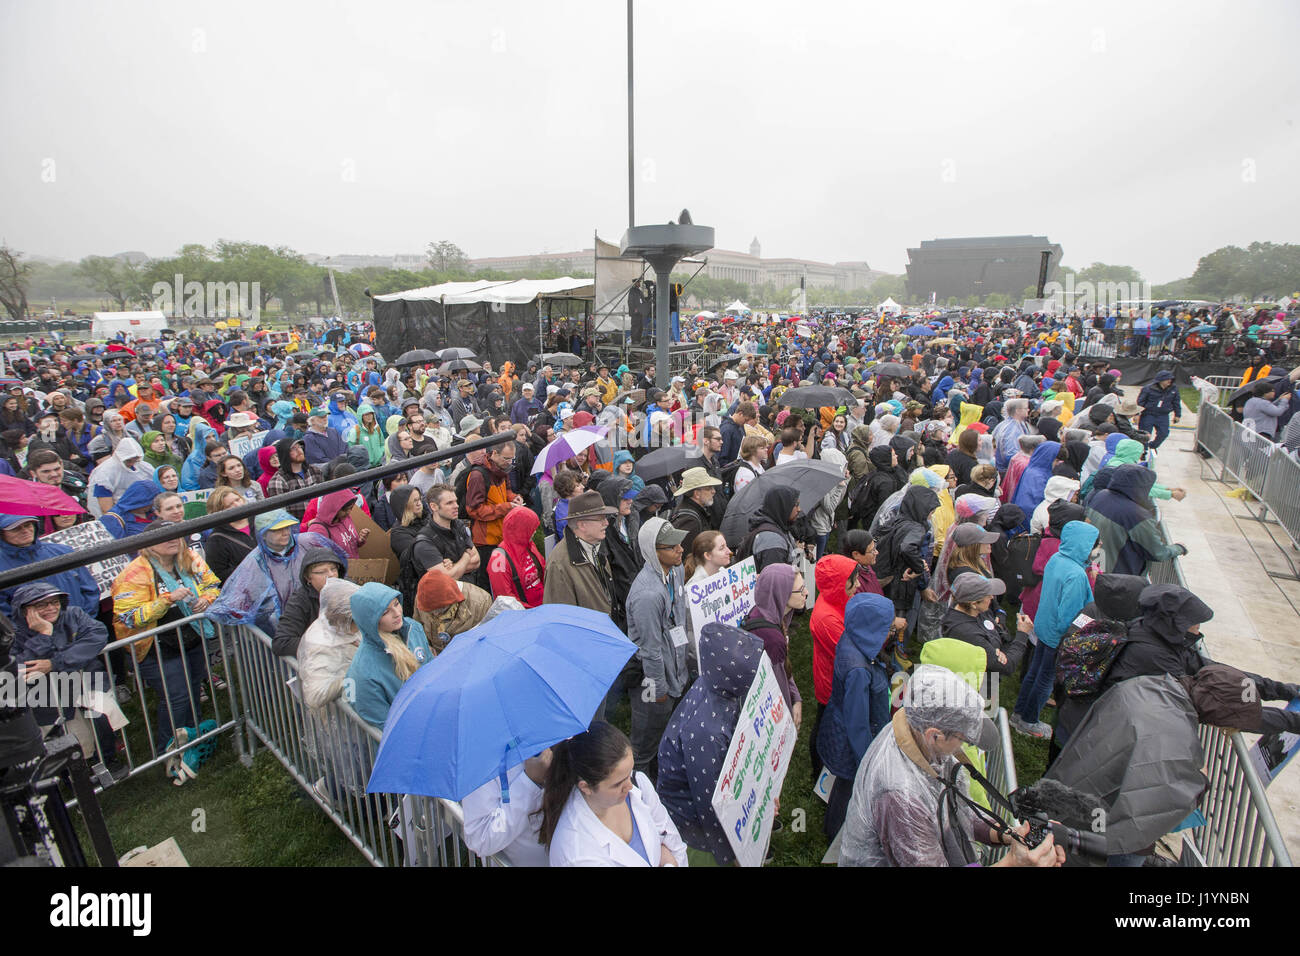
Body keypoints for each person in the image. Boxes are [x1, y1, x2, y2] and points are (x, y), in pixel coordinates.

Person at [837, 664, 1063, 868]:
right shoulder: (900, 798)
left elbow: (959, 813)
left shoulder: (915, 726)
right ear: (934, 735)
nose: (963, 747)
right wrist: (1014, 864)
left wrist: (1010, 834)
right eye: (962, 739)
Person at [656, 622, 764, 865]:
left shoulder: (715, 681)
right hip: (696, 832)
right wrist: (732, 854)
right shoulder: (706, 732)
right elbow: (710, 803)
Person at [111, 521, 221, 752]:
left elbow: (212, 585)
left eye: (177, 535)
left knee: (192, 689)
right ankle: (169, 750)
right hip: (156, 647)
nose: (174, 540)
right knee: (177, 697)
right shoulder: (134, 573)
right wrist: (167, 600)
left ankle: (195, 739)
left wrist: (206, 600)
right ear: (149, 544)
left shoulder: (190, 558)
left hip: (193, 636)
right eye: (166, 537)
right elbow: (129, 617)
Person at [10, 581, 125, 780]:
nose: (51, 608)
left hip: (87, 682)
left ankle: (108, 761)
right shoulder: (13, 634)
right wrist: (44, 635)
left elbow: (97, 635)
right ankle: (73, 784)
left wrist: (55, 662)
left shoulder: (73, 614)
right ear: (25, 610)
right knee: (60, 739)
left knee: (101, 720)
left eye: (54, 602)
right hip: (46, 698)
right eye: (41, 605)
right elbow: (20, 667)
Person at [541, 721, 688, 867]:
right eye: (618, 784)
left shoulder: (639, 783)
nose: (630, 786)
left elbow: (675, 846)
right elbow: (667, 850)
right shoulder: (576, 853)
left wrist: (669, 858)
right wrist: (667, 861)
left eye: (629, 772)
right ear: (586, 787)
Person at [1011, 520, 1098, 740]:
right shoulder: (1077, 576)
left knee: (1034, 672)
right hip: (1057, 635)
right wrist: (1066, 638)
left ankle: (1018, 713)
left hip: (1043, 626)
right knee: (1045, 680)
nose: (1096, 551)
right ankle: (1029, 721)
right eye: (1093, 545)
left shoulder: (1056, 559)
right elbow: (1069, 615)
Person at [818, 592, 895, 840]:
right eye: (887, 628)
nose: (891, 631)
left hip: (840, 726)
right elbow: (857, 722)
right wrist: (867, 760)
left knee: (843, 783)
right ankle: (834, 833)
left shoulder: (852, 639)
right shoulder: (858, 671)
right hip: (852, 744)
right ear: (870, 628)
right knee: (847, 785)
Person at [625, 518, 690, 779]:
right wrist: (660, 691)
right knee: (645, 744)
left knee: (667, 735)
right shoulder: (647, 596)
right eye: (672, 546)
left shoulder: (676, 571)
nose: (680, 549)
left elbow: (680, 618)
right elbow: (650, 650)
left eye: (679, 543)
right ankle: (639, 788)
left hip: (676, 673)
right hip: (652, 684)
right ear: (654, 551)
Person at [345, 582, 432, 730]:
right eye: (385, 612)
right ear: (369, 620)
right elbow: (383, 726)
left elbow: (431, 669)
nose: (397, 613)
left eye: (397, 604)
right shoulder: (362, 673)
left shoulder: (413, 628)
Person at [1086, 464, 1186, 576]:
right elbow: (1157, 552)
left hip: (1091, 567)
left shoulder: (1100, 496)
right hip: (1115, 580)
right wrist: (1178, 548)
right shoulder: (1138, 516)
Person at [0, 515, 100, 622]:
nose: (25, 531)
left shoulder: (63, 551)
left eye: (28, 525)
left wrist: (84, 620)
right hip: (34, 636)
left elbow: (90, 589)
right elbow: (4, 614)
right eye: (16, 528)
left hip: (81, 627)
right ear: (2, 533)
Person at [542, 490, 619, 629]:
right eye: (600, 518)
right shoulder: (559, 564)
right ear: (582, 525)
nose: (606, 523)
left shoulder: (595, 547)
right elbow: (561, 623)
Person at [941, 574, 1030, 676]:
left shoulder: (975, 610)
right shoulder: (967, 633)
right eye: (988, 595)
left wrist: (997, 647)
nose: (992, 597)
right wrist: (1022, 635)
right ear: (974, 603)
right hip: (979, 685)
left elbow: (998, 631)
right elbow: (1006, 666)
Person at [272, 547, 346, 657]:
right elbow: (282, 643)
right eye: (322, 571)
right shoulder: (299, 600)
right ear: (308, 577)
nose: (331, 575)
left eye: (334, 569)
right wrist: (328, 644)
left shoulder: (348, 588)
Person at [408, 484, 479, 586]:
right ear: (433, 506)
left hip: (470, 590)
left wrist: (454, 566)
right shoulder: (424, 541)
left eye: (455, 501)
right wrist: (467, 556)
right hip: (445, 599)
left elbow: (476, 561)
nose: (456, 506)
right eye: (449, 503)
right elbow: (447, 578)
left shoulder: (458, 525)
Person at [487, 506, 546, 607]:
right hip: (525, 612)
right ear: (520, 529)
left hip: (545, 602)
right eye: (530, 528)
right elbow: (506, 601)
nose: (535, 532)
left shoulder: (528, 544)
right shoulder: (498, 560)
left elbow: (544, 571)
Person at [738, 486, 802, 572]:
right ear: (783, 506)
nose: (799, 509)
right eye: (796, 505)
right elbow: (775, 580)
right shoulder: (772, 539)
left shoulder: (779, 526)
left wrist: (796, 550)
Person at [203, 487, 257, 583]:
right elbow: (219, 574)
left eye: (237, 499)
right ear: (219, 512)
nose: (237, 505)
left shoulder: (259, 519)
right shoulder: (216, 540)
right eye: (229, 506)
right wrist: (248, 569)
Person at [669, 466, 721, 554]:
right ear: (697, 494)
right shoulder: (690, 521)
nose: (713, 491)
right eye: (709, 488)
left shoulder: (691, 511)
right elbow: (687, 555)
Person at [305, 488, 368, 559]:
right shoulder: (318, 530)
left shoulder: (345, 518)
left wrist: (360, 540)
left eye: (351, 508)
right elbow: (320, 561)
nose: (349, 512)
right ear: (334, 507)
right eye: (345, 510)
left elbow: (351, 545)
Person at [266, 438, 319, 519]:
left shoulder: (314, 470)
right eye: (293, 449)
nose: (299, 451)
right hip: (298, 527)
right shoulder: (277, 481)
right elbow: (281, 515)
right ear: (285, 454)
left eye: (300, 447)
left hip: (321, 519)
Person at [1136, 370, 1182, 449]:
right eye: (1167, 379)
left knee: (1163, 433)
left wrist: (1177, 415)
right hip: (1148, 414)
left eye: (1171, 379)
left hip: (1163, 415)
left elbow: (1176, 402)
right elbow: (1140, 402)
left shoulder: (1173, 389)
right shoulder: (1148, 389)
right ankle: (1143, 451)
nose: (1169, 381)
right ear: (1160, 380)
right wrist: (1137, 414)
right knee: (1144, 435)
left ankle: (1153, 446)